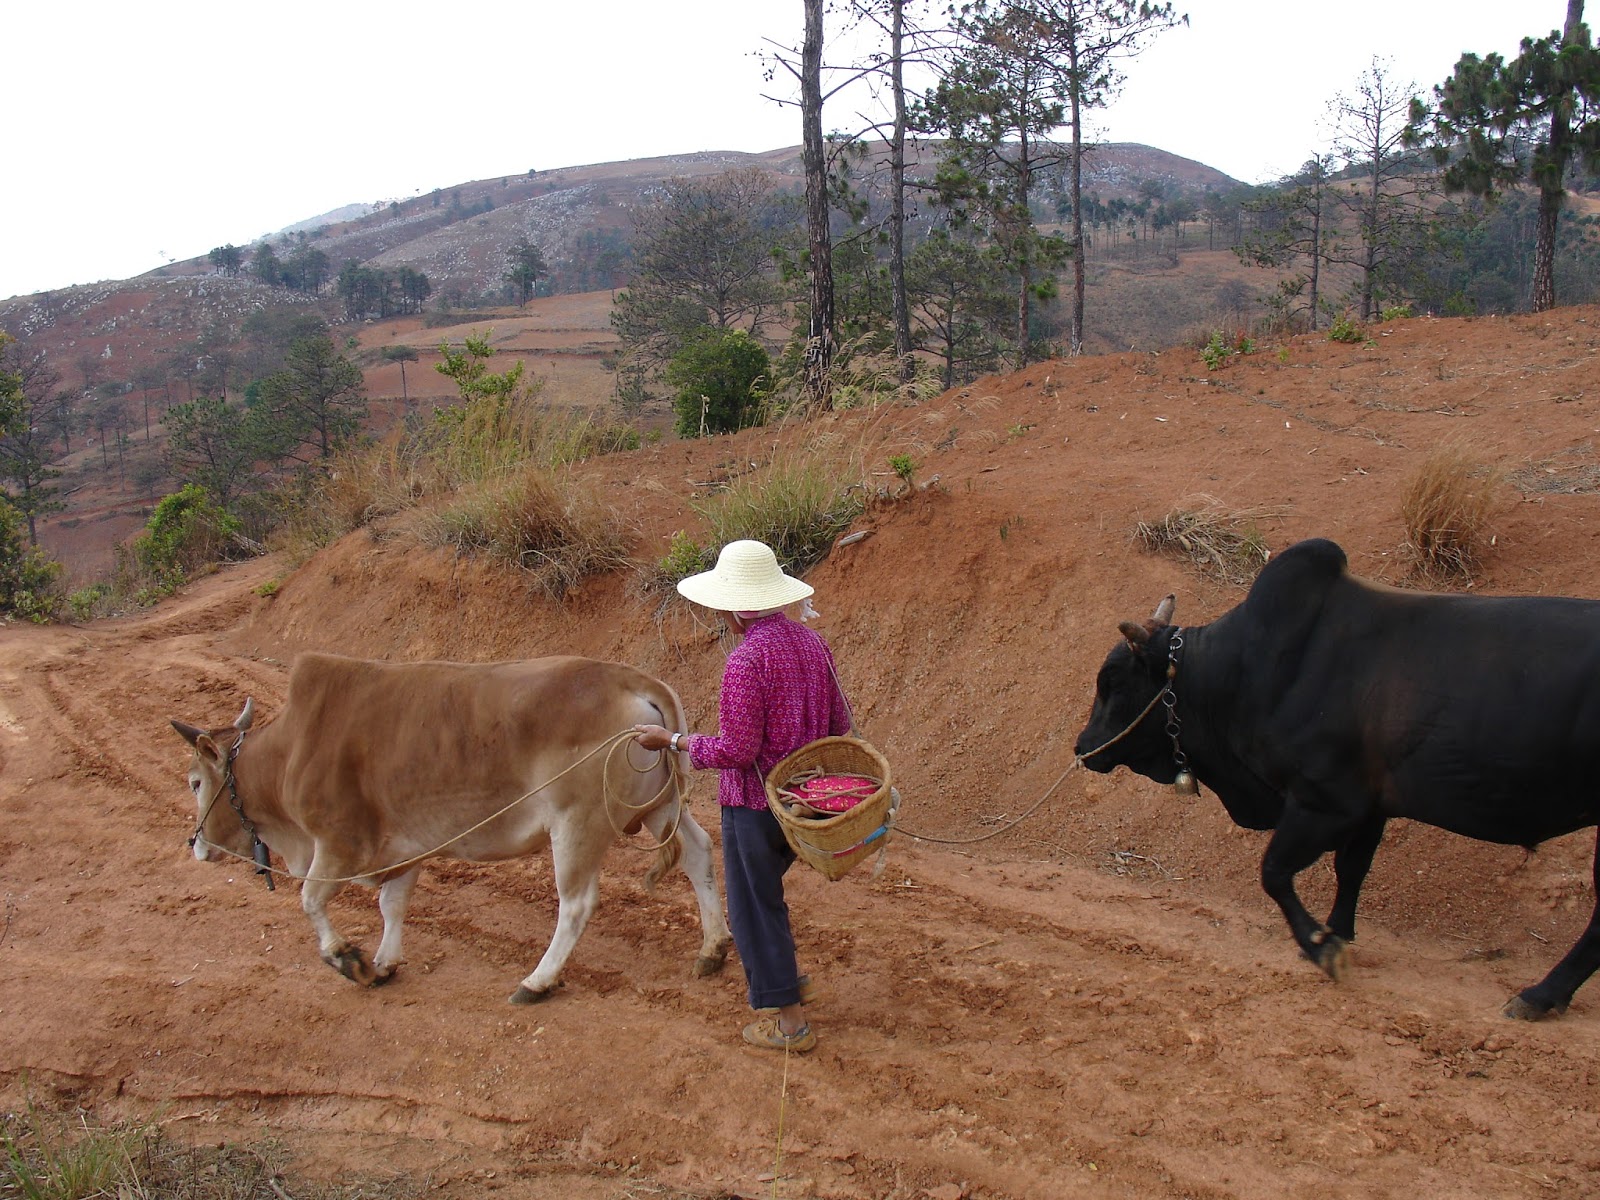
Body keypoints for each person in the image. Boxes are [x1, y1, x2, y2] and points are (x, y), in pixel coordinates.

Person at [632, 539, 851, 1054]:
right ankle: (786, 980)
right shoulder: (813, 644)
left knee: (754, 907)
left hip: (754, 805)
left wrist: (674, 741)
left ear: (735, 609)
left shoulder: (746, 662)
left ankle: (790, 1023)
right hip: (803, 802)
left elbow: (737, 750)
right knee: (766, 898)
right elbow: (839, 724)